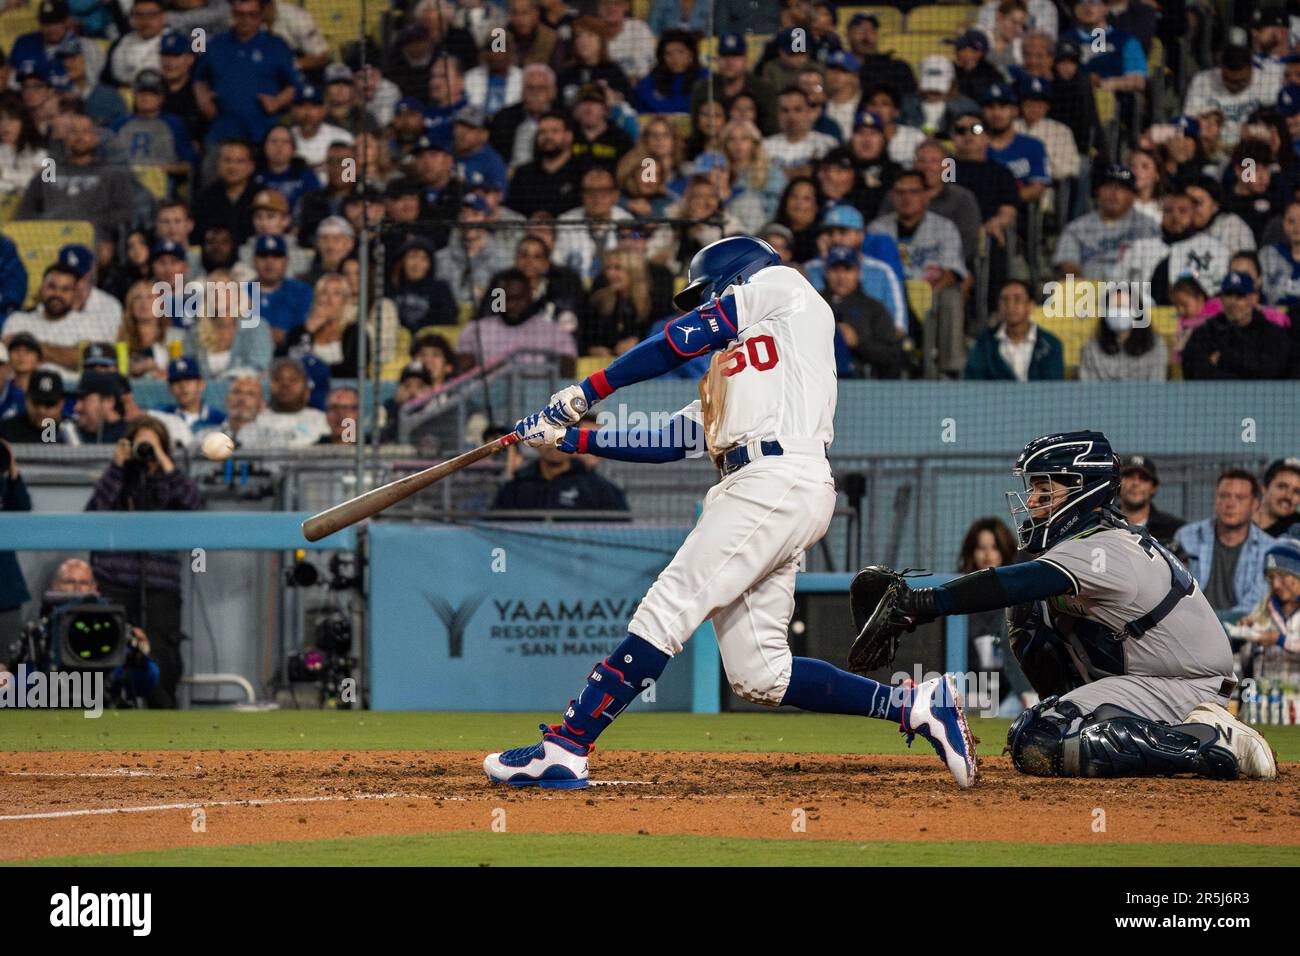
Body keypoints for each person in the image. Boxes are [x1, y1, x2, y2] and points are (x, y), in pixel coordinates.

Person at [483, 236, 979, 790]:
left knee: (667, 606)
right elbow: (672, 438)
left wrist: (589, 387)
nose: (699, 304)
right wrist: (569, 439)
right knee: (761, 673)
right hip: (760, 486)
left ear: (733, 276)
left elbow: (678, 341)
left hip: (778, 476)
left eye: (703, 293)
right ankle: (914, 706)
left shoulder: (783, 287)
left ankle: (567, 746)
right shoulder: (736, 364)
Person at [851, 430, 1275, 780]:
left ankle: (1209, 743)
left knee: (1039, 738)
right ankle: (1082, 717)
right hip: (1162, 674)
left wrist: (920, 603)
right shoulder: (1100, 539)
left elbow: (1009, 582)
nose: (1032, 500)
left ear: (1082, 491)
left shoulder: (1103, 548)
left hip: (1187, 684)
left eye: (1043, 488)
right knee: (1033, 613)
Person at [86, 415, 199, 707]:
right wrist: (117, 464)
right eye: (141, 443)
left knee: (162, 651)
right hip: (115, 579)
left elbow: (191, 504)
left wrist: (162, 458)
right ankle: (107, 709)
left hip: (160, 582)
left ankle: (163, 715)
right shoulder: (119, 475)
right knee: (110, 647)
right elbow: (94, 513)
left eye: (153, 443)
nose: (145, 450)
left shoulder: (170, 477)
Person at [956, 516, 1036, 717]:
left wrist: (1027, 694)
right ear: (971, 552)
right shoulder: (956, 598)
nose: (987, 554)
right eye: (981, 547)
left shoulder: (1020, 598)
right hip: (970, 693)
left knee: (1014, 711)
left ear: (1005, 551)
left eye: (994, 547)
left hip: (1012, 696)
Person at [1175, 468, 1277, 618]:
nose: (1230, 504)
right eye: (1224, 496)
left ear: (1255, 504)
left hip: (1242, 632)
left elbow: (1255, 604)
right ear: (1216, 499)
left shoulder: (1269, 548)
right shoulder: (1186, 537)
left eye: (1240, 498)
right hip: (1191, 625)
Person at [3, 265, 120, 383]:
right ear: (42, 288)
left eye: (65, 289)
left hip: (72, 394)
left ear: (74, 293)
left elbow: (86, 360)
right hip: (23, 394)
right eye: (52, 287)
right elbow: (4, 360)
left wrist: (33, 347)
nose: (57, 294)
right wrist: (67, 354)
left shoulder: (89, 323)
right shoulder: (18, 320)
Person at [1181, 271, 1295, 379]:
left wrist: (1223, 359)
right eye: (1228, 295)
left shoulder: (1272, 334)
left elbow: (1271, 373)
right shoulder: (1205, 332)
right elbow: (1192, 372)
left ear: (1254, 298)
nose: (1233, 302)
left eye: (1240, 296)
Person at [1053, 165, 1161, 278]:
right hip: (1091, 290)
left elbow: (1155, 266)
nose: (1114, 193)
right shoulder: (1077, 228)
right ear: (1098, 191)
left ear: (1132, 195)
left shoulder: (1147, 226)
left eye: (1121, 188)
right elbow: (1068, 266)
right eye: (1108, 187)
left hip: (1135, 290)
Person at [1228, 536, 1300, 699]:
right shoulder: (1262, 610)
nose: (1276, 585)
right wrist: (1242, 640)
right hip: (1265, 708)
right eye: (1271, 578)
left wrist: (1279, 639)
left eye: (1282, 576)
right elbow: (1244, 668)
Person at [492, 431, 630, 511]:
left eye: (562, 436)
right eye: (547, 436)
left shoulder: (601, 490)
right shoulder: (514, 488)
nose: (554, 444)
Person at [820, 245, 902, 379]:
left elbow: (892, 355)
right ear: (826, 272)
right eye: (835, 270)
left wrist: (858, 343)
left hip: (864, 384)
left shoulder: (874, 308)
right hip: (819, 382)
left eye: (847, 270)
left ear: (858, 272)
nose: (841, 277)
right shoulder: (814, 303)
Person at [964, 279, 1064, 381]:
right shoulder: (984, 344)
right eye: (1005, 300)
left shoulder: (1051, 345)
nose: (1010, 305)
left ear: (1031, 306)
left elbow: (1054, 388)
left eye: (1017, 299)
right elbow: (973, 383)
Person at [1077, 295, 1168, 381]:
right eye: (1113, 307)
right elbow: (1088, 388)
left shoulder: (1156, 345)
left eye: (1124, 306)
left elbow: (1157, 384)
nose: (1119, 311)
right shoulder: (1091, 348)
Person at [0, 439, 31, 658]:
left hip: (5, 592)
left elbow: (22, 510)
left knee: (7, 666)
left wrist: (12, 470)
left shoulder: (3, 485)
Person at [1117, 455, 1184, 546]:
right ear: (1117, 483)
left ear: (1154, 488)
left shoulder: (1175, 530)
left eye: (1143, 478)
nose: (1135, 483)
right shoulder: (1101, 523)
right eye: (1129, 476)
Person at [0, 370, 74, 444]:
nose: (42, 410)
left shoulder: (74, 431)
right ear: (26, 399)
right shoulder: (7, 431)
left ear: (61, 403)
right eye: (36, 402)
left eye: (49, 404)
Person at [161, 356, 226, 433]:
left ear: (201, 384)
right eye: (176, 381)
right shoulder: (162, 416)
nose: (183, 386)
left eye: (188, 380)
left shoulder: (220, 420)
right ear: (170, 388)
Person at [1255, 458, 1300, 537]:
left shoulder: (1297, 528)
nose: (1288, 496)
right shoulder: (1236, 520)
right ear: (1264, 488)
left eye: (1297, 491)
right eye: (1282, 487)